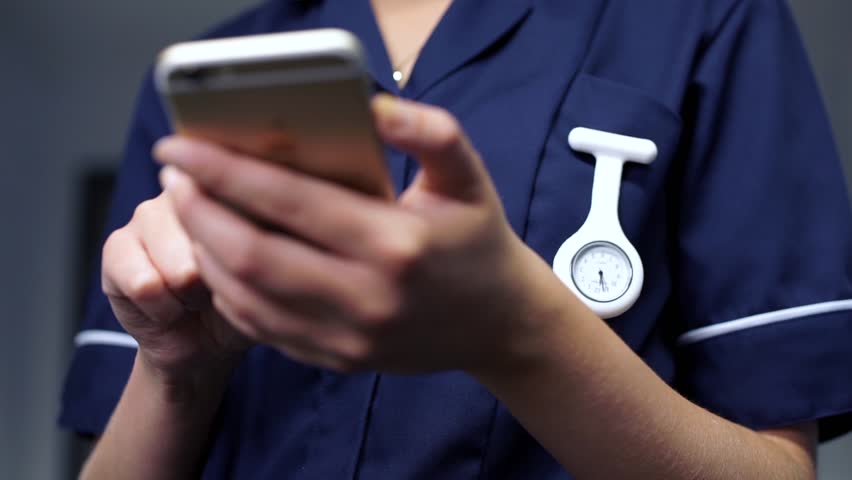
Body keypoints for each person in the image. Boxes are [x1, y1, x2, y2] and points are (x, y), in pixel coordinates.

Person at [61, 0, 852, 478]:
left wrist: (517, 332)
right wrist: (176, 369)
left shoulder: (702, 20)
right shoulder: (213, 74)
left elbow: (777, 467)